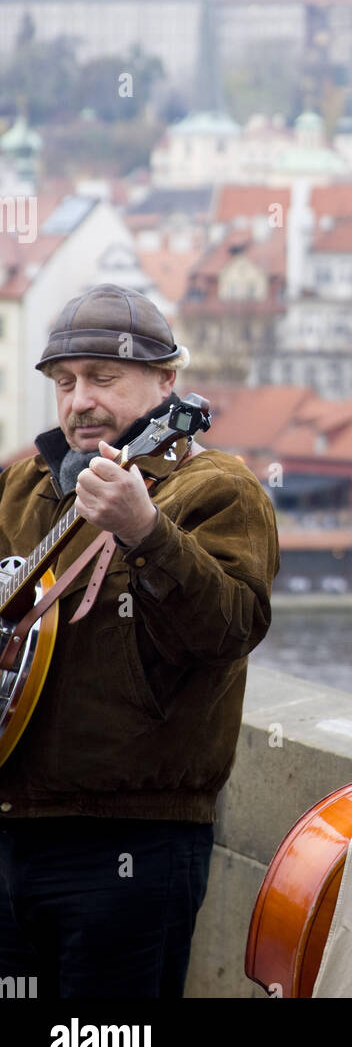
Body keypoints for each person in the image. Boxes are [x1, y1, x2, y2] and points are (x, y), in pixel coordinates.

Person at [0, 284, 280, 998]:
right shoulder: (22, 483)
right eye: (64, 383)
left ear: (166, 383)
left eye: (102, 377)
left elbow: (228, 630)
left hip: (131, 840)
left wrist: (146, 531)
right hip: (11, 826)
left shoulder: (217, 488)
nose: (79, 401)